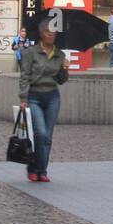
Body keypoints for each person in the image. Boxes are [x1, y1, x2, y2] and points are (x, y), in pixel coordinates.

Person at [18, 22, 68, 183]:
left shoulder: (59, 54)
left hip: (52, 96)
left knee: (48, 137)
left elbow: (61, 80)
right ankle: (33, 168)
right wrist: (23, 98)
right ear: (41, 34)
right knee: (40, 133)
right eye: (47, 32)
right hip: (34, 96)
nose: (50, 34)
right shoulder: (30, 53)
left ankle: (42, 171)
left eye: (53, 32)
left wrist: (65, 69)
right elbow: (24, 76)